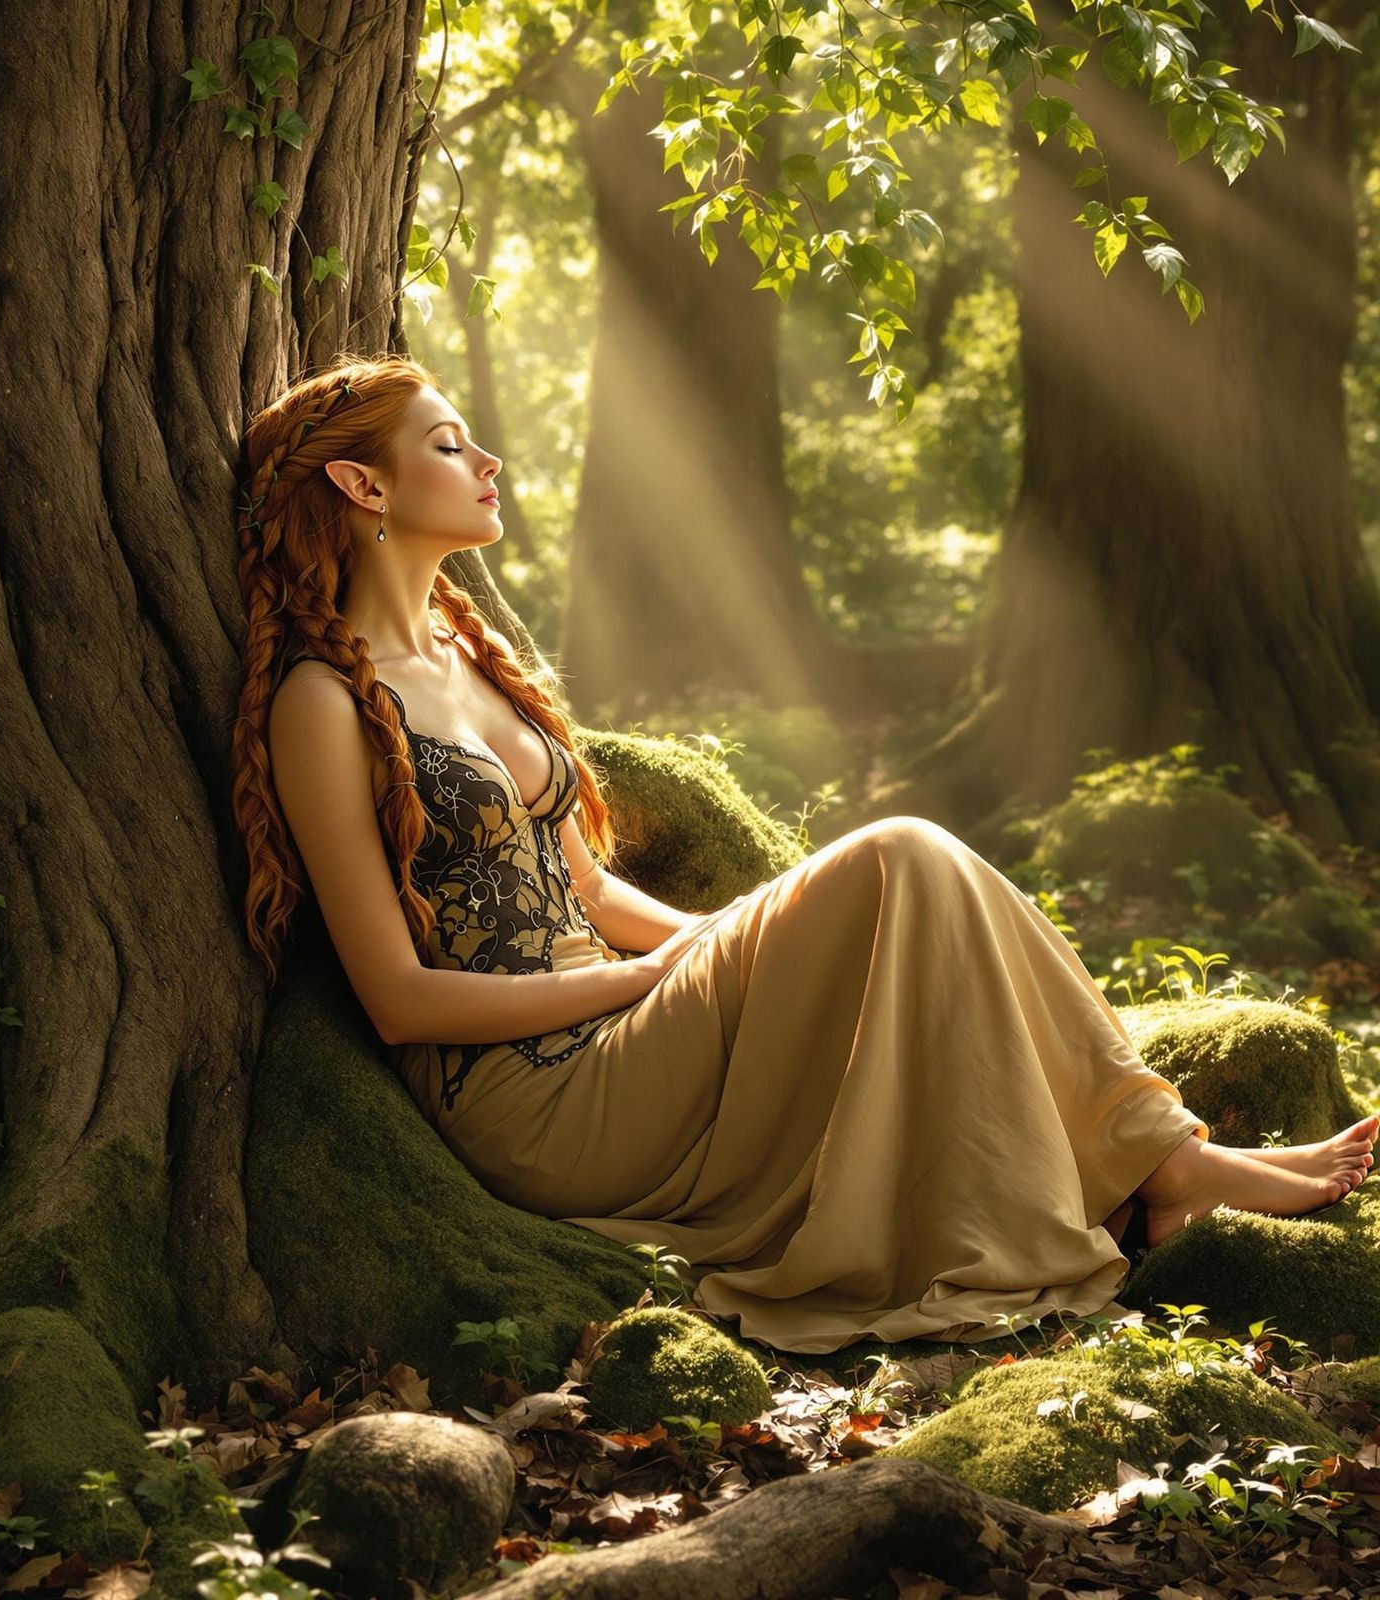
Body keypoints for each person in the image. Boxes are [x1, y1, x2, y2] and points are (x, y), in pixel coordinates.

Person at [229, 352, 1377, 1354]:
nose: (485, 458)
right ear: (362, 484)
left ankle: (1163, 1161)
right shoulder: (322, 703)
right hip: (539, 1101)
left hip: (628, 1026)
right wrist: (653, 977)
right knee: (900, 853)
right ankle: (1166, 1171)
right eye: (446, 442)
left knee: (916, 876)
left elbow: (580, 886)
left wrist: (723, 940)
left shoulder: (466, 654)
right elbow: (395, 1000)